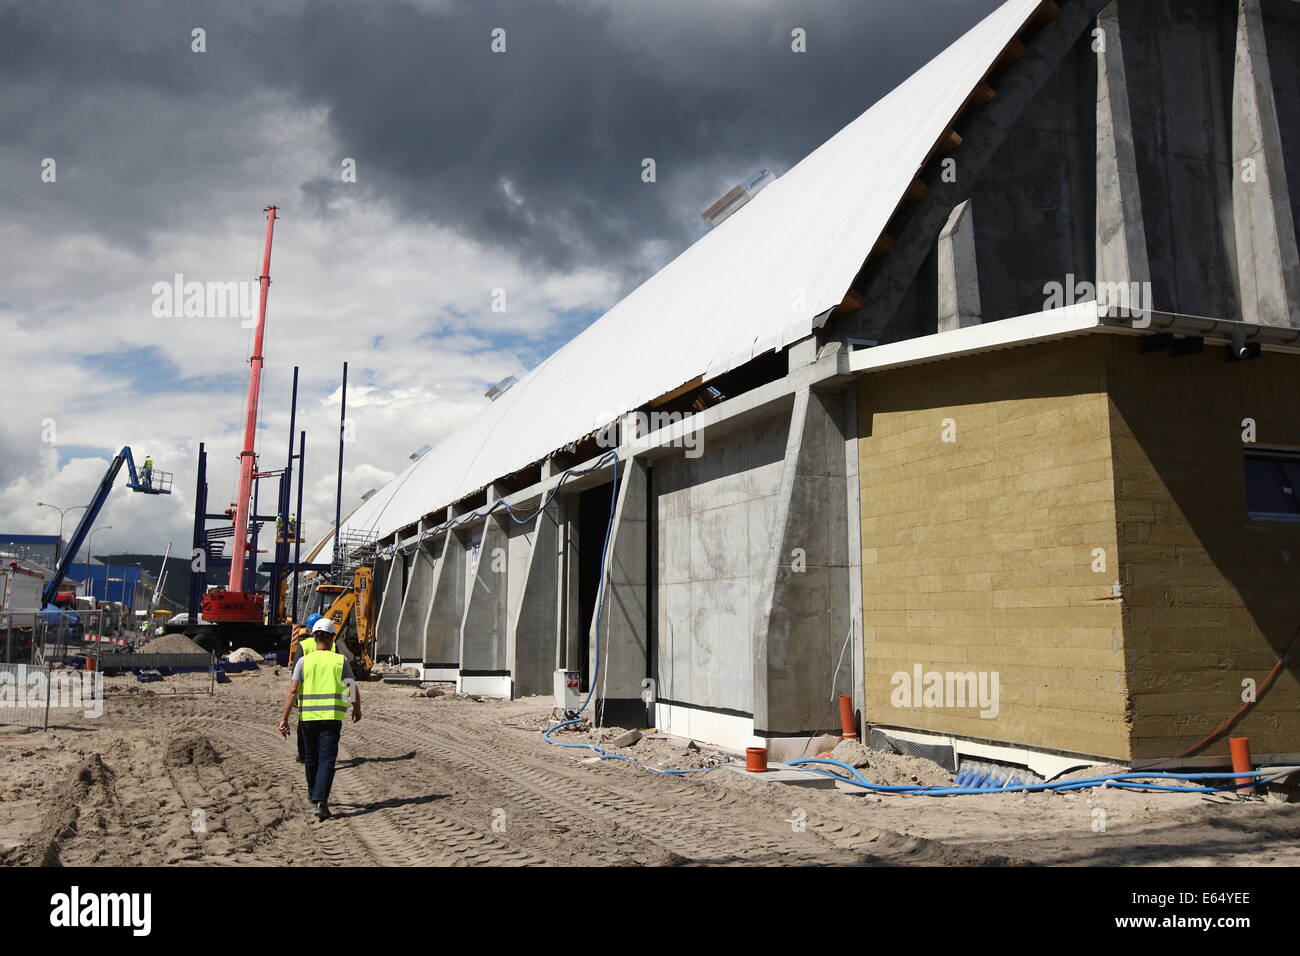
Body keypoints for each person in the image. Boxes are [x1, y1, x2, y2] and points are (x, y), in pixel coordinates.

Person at [278, 617, 360, 820]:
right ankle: (321, 800)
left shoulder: (304, 662)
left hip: (308, 718)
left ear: (315, 638)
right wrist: (357, 708)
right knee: (327, 759)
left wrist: (284, 719)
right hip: (331, 718)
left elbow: (292, 691)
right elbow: (351, 686)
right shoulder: (339, 661)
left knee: (311, 758)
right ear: (332, 638)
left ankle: (313, 794)